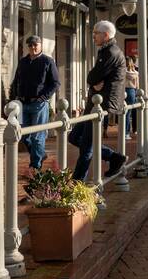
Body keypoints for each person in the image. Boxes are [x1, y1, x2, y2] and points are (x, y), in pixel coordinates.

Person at [72, 20, 127, 182]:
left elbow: (92, 77)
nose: (93, 36)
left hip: (102, 104)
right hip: (94, 103)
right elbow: (94, 78)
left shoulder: (110, 52)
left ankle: (77, 183)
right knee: (74, 137)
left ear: (106, 35)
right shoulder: (106, 51)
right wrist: (94, 81)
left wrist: (95, 81)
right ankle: (113, 157)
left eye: (96, 33)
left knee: (87, 146)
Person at [8, 34, 60, 172]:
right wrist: (13, 99)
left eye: (35, 44)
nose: (32, 47)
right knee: (24, 136)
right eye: (30, 45)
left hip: (38, 104)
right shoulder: (23, 62)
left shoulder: (48, 61)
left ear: (40, 45)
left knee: (38, 136)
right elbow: (16, 81)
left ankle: (35, 166)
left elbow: (55, 83)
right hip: (22, 104)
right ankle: (40, 154)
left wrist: (43, 98)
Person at [124, 57, 140, 135]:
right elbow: (137, 85)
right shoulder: (136, 73)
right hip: (132, 91)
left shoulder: (123, 72)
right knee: (130, 112)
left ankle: (126, 131)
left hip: (124, 92)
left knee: (125, 112)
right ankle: (131, 129)